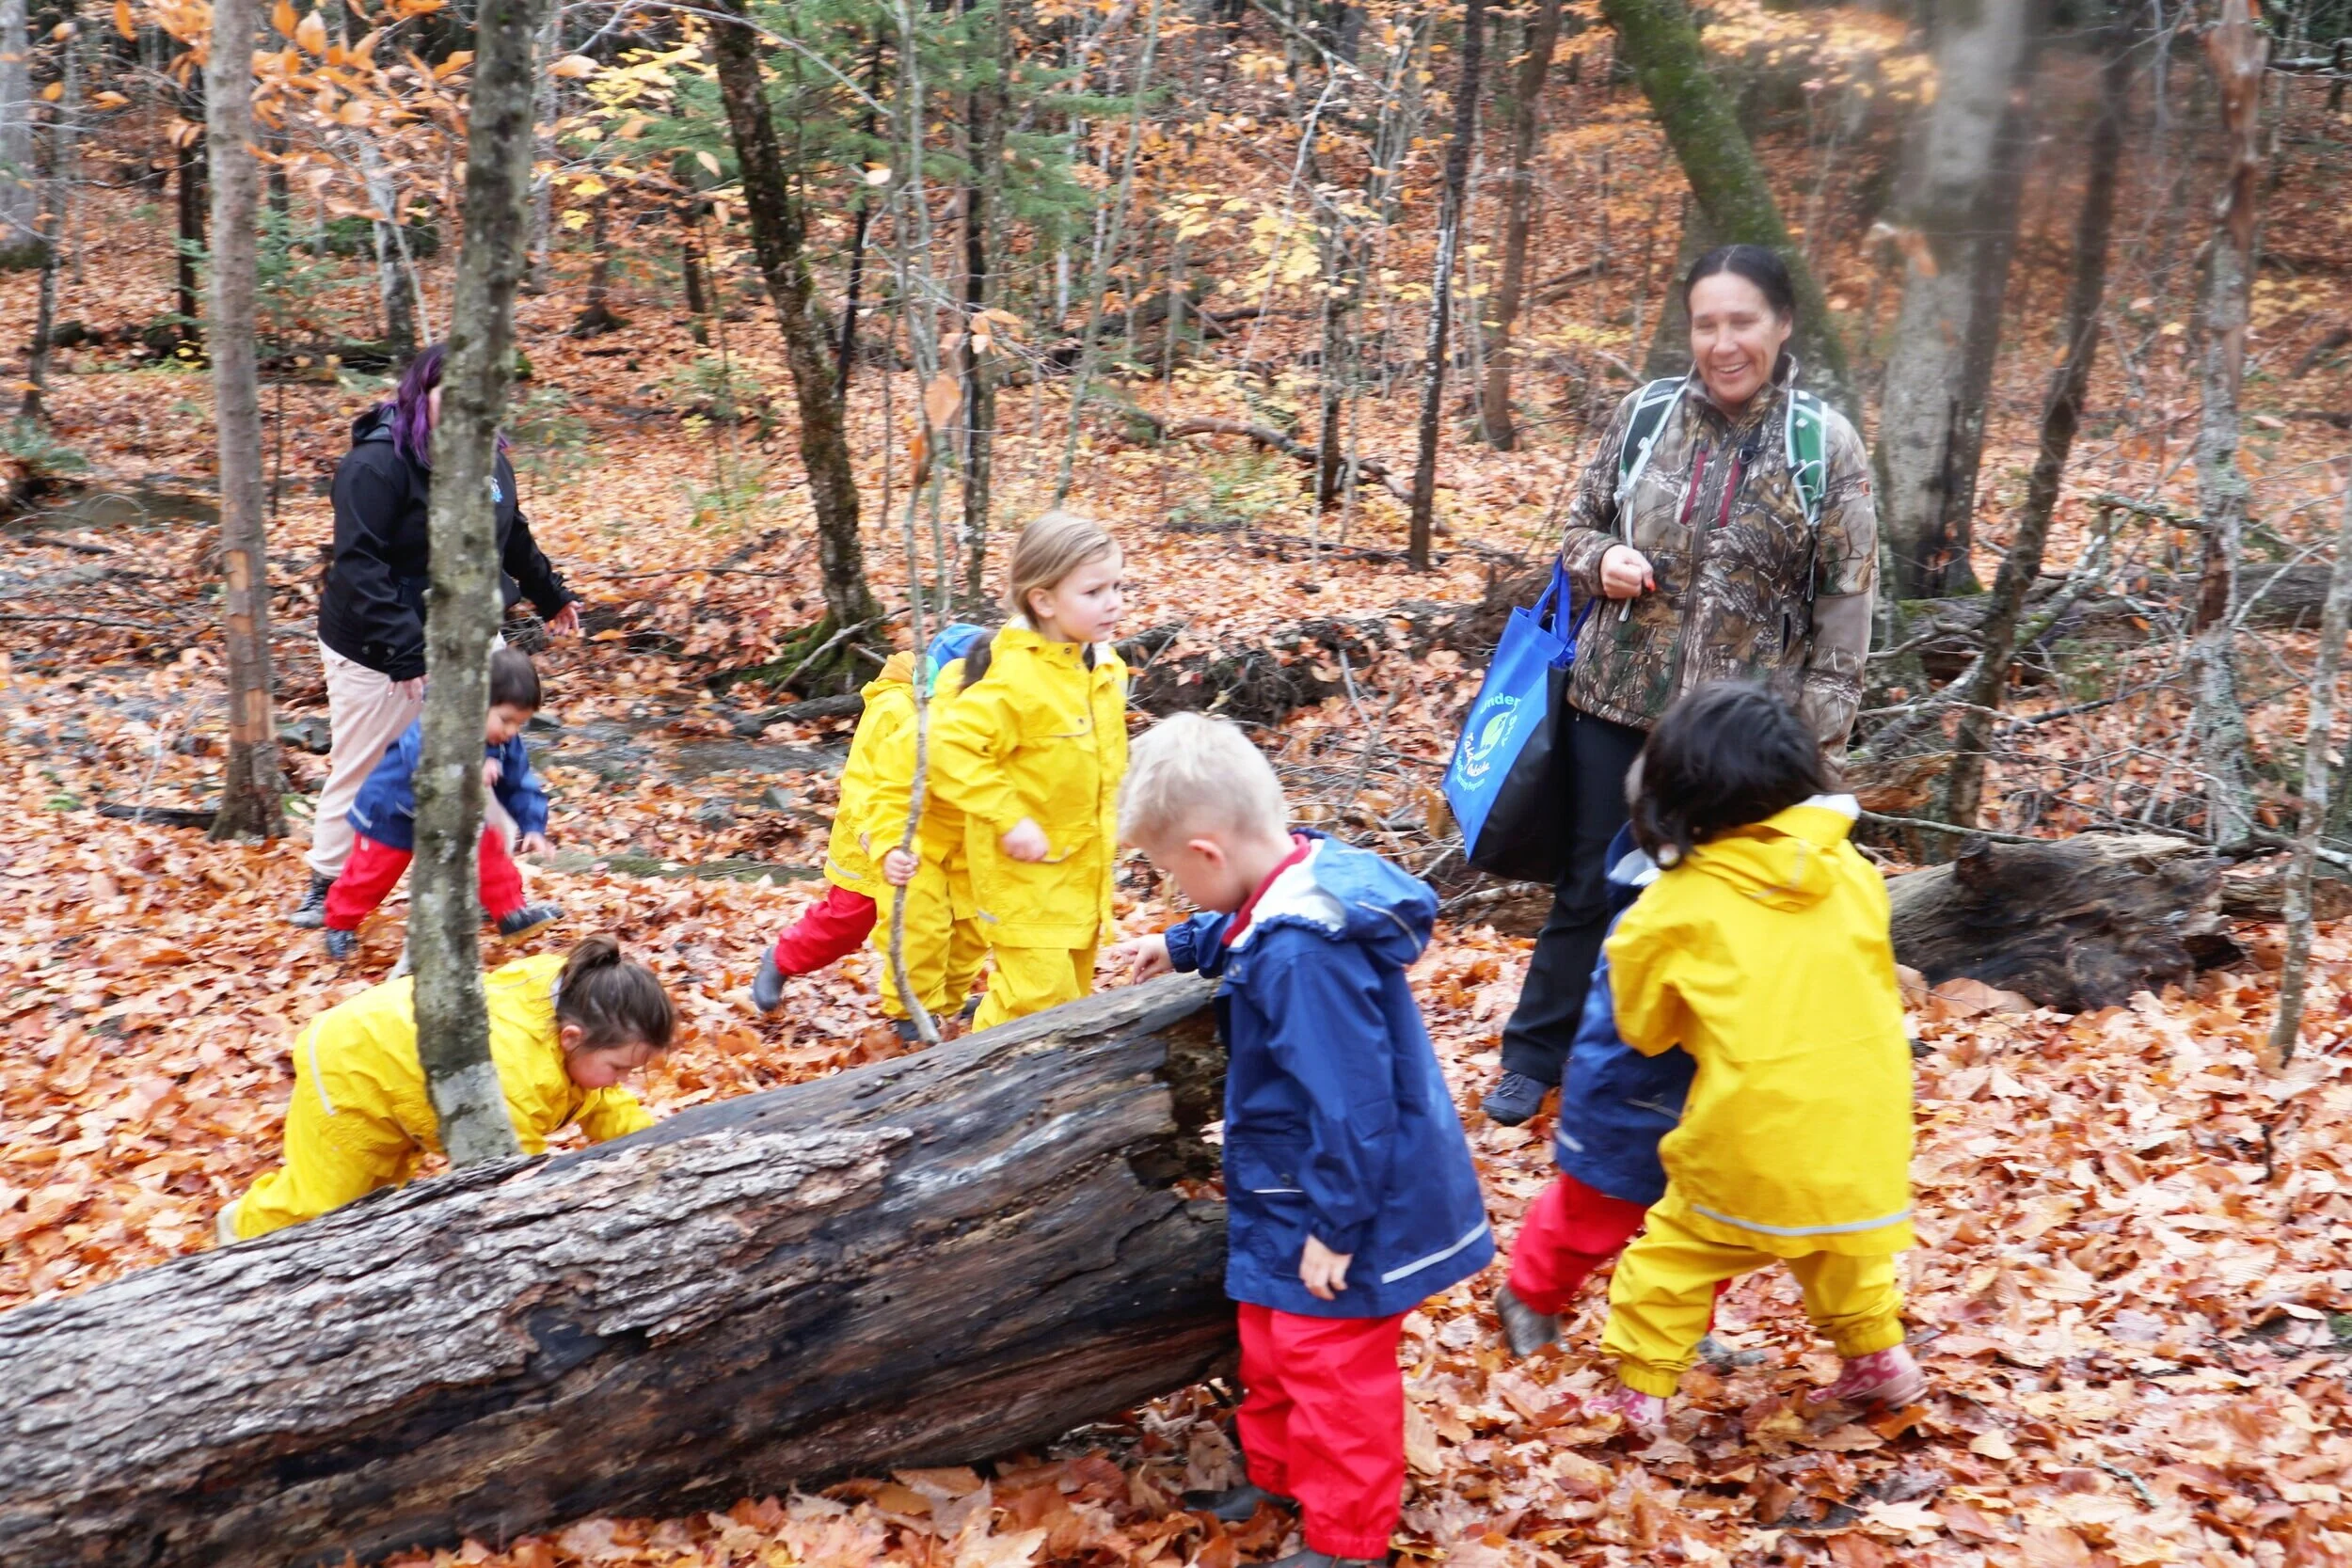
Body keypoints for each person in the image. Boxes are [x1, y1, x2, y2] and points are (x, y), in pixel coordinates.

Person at [1483, 244, 1878, 1127]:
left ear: (1781, 325)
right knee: (1588, 886)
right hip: (1613, 703)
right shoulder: (1643, 416)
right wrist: (1601, 560)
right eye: (1708, 323)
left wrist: (1816, 738)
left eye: (1744, 322)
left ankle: (1709, 1072)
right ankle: (1534, 1055)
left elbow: (1847, 601)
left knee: (1729, 903)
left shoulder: (1826, 446)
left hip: (1740, 736)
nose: (1724, 342)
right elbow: (1575, 531)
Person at [1109, 713, 1492, 1568]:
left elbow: (1354, 1104)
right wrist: (1181, 942)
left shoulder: (1302, 958)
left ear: (1207, 852)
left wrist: (1337, 1226)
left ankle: (1347, 1540)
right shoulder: (1286, 888)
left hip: (1346, 1202)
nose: (1176, 890)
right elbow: (1244, 920)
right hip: (1290, 1187)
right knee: (1273, 1344)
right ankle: (1280, 1476)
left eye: (1172, 878)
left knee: (1331, 1370)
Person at [1581, 682, 1922, 1434]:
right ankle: (1878, 1356)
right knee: (1838, 1242)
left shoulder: (1674, 903)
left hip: (1754, 1137)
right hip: (1868, 1129)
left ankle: (1641, 1392)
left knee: (1670, 1258)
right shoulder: (1855, 873)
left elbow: (1644, 1026)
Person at [289, 344, 581, 929]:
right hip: (375, 643)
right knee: (367, 764)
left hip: (470, 635)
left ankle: (498, 897)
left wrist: (550, 593)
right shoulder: (376, 465)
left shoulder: (490, 462)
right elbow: (359, 565)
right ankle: (326, 886)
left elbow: (512, 534)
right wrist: (404, 652)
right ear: (422, 392)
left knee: (488, 760)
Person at [217, 935, 674, 1241]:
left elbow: (607, 1104)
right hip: (356, 1060)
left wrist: (659, 1150)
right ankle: (241, 1231)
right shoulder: (515, 1075)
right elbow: (514, 1177)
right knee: (325, 1200)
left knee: (377, 1199)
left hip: (409, 1069)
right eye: (618, 1068)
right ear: (571, 1038)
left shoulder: (574, 1005)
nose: (621, 1081)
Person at [1490, 817, 1689, 1356]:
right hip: (1629, 1091)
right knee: (1594, 1208)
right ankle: (1528, 1295)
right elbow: (1632, 1021)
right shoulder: (1657, 907)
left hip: (1707, 1095)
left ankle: (1684, 1321)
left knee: (1702, 1222)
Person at [930, 513, 1129, 1030]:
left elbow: (1103, 762)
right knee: (1035, 1004)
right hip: (1024, 881)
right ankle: (974, 1087)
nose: (1114, 602)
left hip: (1084, 879)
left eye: (1117, 586)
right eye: (1094, 592)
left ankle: (1049, 1098)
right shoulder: (1014, 675)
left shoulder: (1105, 667)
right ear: (1043, 601)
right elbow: (949, 747)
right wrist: (1008, 818)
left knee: (1070, 1004)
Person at [750, 624, 993, 1038]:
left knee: (954, 922)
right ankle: (782, 959)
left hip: (936, 843)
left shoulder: (978, 715)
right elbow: (864, 778)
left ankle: (931, 1005)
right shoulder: (896, 709)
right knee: (848, 920)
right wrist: (870, 833)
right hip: (875, 837)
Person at [320, 647, 562, 962]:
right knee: (370, 875)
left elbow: (520, 783)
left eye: (520, 724)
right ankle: (339, 923)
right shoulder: (440, 719)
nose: (511, 731)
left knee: (488, 849)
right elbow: (420, 755)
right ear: (479, 702)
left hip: (454, 814)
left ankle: (512, 913)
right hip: (394, 811)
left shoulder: (506, 742)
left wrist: (533, 825)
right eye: (505, 720)